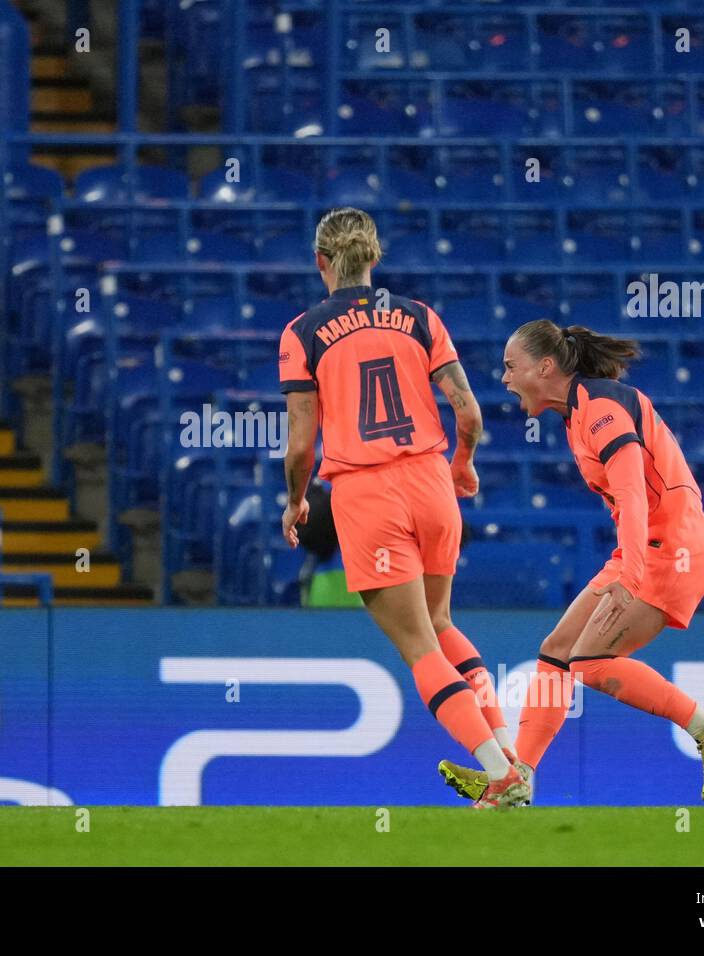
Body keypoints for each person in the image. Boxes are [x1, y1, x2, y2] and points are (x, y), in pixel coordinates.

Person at [279, 207, 529, 809]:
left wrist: (294, 502)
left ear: (321, 263)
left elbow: (300, 442)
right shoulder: (419, 317)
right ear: (375, 259)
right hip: (432, 483)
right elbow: (468, 411)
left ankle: (500, 775)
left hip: (368, 492)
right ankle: (508, 753)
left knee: (418, 647)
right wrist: (462, 463)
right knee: (441, 625)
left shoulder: (302, 333)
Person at [437, 319, 704, 804]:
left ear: (544, 367)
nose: (504, 379)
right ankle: (516, 776)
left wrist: (632, 573)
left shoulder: (601, 408)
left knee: (590, 661)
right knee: (556, 652)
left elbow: (631, 494)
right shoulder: (579, 412)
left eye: (510, 367)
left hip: (672, 550)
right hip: (646, 547)